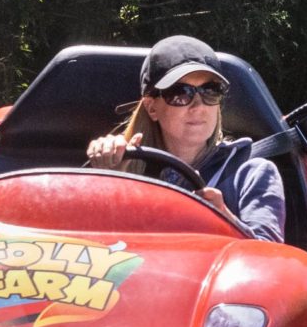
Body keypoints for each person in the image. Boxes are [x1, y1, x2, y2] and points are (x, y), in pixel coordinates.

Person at [85, 34, 287, 242]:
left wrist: (224, 220)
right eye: (180, 93)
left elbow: (270, 255)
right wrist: (109, 181)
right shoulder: (123, 167)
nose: (198, 106)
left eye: (210, 91)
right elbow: (80, 242)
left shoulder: (251, 173)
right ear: (152, 107)